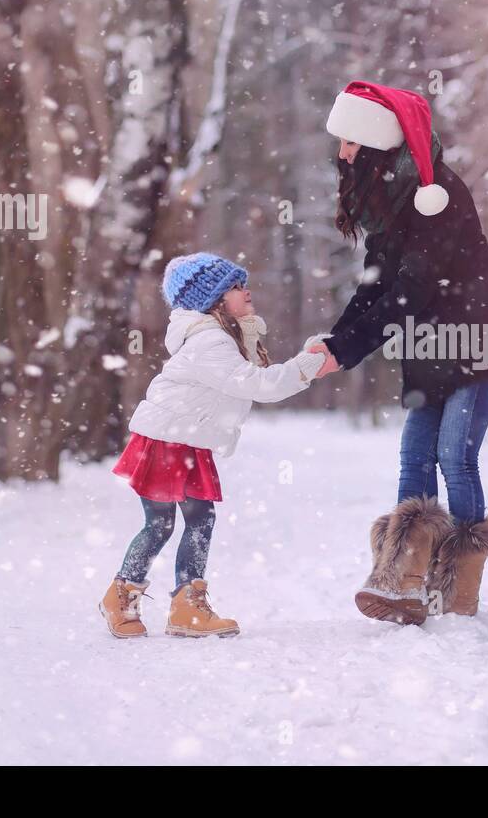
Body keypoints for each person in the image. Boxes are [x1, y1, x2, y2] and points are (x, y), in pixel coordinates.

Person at [309, 80, 488, 625]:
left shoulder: (437, 195)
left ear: (375, 142)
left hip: (480, 336)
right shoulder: (386, 200)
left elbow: (412, 289)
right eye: (340, 142)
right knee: (415, 455)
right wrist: (336, 342)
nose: (341, 153)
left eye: (350, 142)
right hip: (430, 341)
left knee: (454, 458)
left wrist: (349, 349)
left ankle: (458, 588)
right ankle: (402, 580)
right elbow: (376, 283)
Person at [98, 252, 326, 638]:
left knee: (195, 521)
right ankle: (124, 598)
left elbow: (254, 375)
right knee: (161, 525)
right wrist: (309, 365)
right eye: (236, 286)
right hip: (165, 441)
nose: (246, 290)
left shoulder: (225, 335)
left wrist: (304, 357)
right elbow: (259, 384)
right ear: (214, 299)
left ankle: (184, 605)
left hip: (186, 441)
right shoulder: (209, 341)